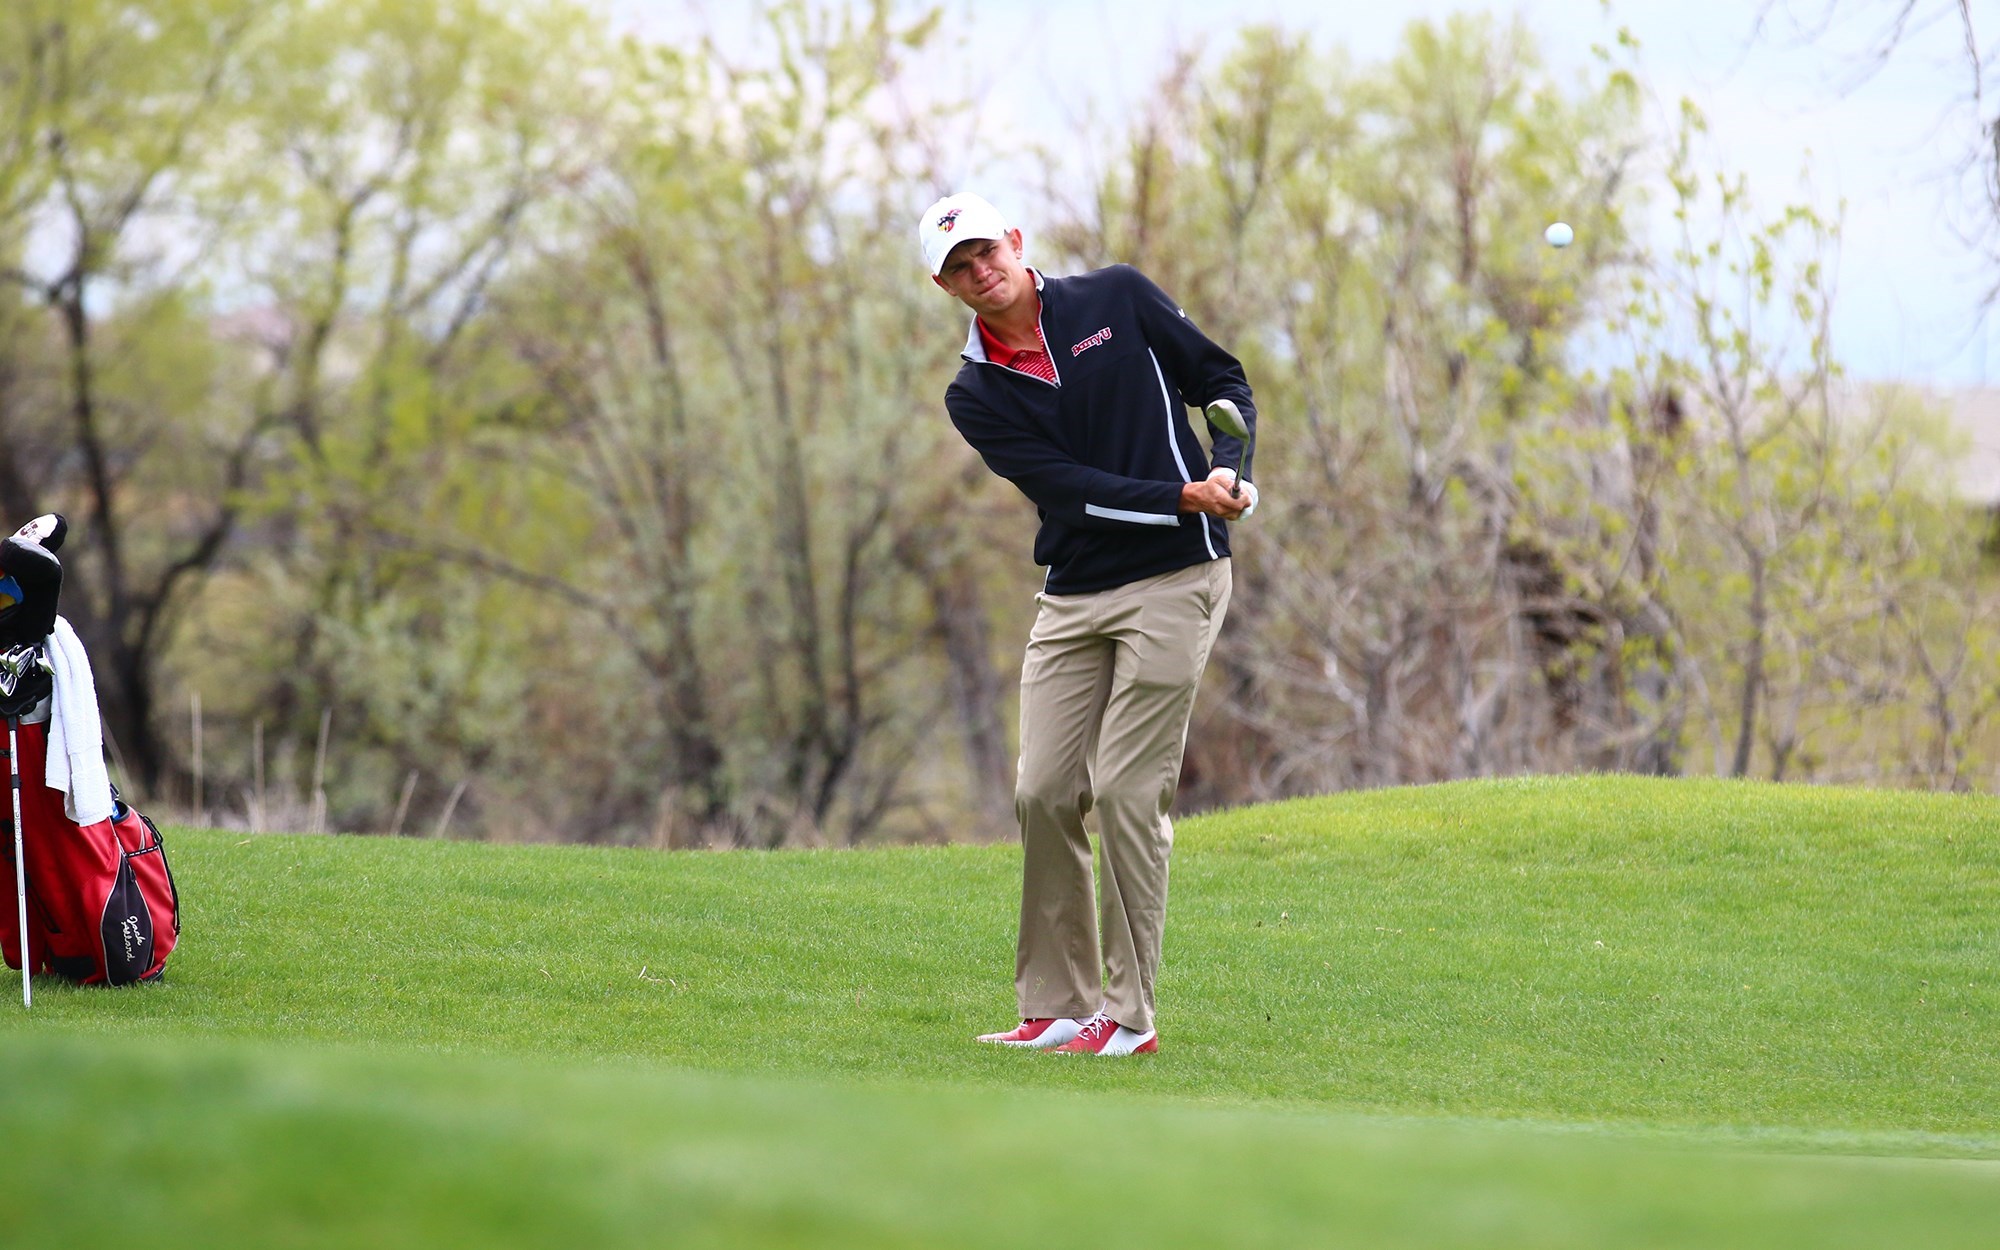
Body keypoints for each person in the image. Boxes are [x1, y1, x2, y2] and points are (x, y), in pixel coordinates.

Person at [919, 192, 1259, 1056]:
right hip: (1073, 592)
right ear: (945, 285)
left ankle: (1130, 1017)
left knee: (1125, 790)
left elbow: (1222, 384)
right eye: (961, 266)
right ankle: (1057, 1006)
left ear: (1018, 243)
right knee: (1043, 791)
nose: (981, 271)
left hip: (1178, 579)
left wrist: (1230, 470)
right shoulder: (975, 393)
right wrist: (1181, 494)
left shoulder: (1115, 299)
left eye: (988, 251)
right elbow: (1068, 487)